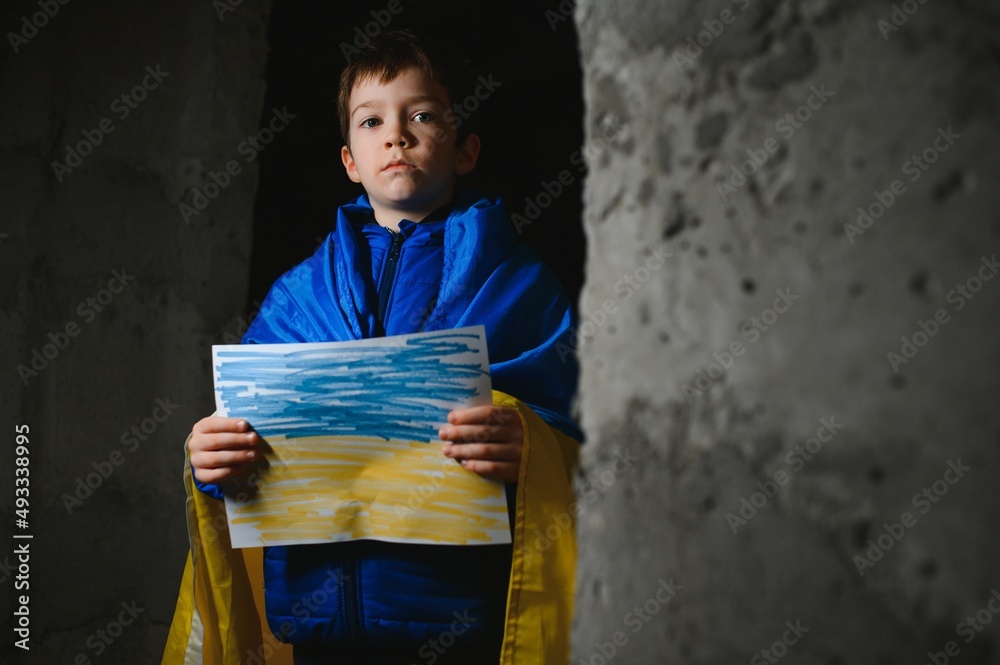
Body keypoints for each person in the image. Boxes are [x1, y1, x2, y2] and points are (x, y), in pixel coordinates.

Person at [163, 29, 581, 665]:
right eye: (371, 120)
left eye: (422, 114)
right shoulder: (297, 296)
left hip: (467, 631)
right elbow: (245, 441)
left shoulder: (518, 286)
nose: (397, 135)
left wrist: (533, 446)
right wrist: (210, 459)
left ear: (466, 150)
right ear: (350, 161)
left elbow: (592, 440)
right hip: (314, 630)